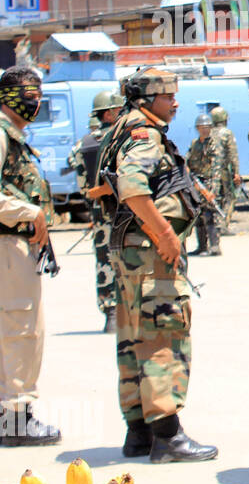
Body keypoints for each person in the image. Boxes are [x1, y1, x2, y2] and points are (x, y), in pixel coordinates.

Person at [96, 67, 218, 463]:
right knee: (164, 334)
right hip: (151, 253)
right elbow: (132, 187)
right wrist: (165, 234)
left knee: (133, 335)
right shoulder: (144, 134)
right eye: (168, 96)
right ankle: (167, 436)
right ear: (147, 100)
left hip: (131, 251)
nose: (175, 103)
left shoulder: (123, 129)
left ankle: (139, 432)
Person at [0, 68, 61, 446]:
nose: (35, 102)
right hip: (8, 245)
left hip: (14, 245)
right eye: (28, 94)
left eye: (38, 94)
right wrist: (29, 212)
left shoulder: (13, 136)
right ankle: (17, 420)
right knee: (21, 331)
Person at [68, 89, 123, 332]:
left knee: (104, 260)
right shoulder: (124, 138)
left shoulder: (84, 144)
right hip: (130, 211)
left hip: (101, 213)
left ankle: (111, 312)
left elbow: (83, 186)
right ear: (109, 113)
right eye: (119, 110)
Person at [186, 113, 223, 256]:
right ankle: (201, 246)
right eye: (202, 127)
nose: (205, 130)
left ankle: (214, 246)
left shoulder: (214, 145)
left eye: (207, 127)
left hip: (208, 182)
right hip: (195, 183)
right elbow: (187, 161)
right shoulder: (194, 144)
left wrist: (213, 189)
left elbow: (216, 168)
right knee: (198, 215)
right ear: (197, 128)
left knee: (210, 215)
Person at [209, 106, 241, 233]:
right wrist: (236, 172)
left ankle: (215, 224)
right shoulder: (227, 133)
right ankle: (223, 225)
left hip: (211, 172)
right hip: (224, 171)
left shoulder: (209, 132)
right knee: (230, 196)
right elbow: (233, 154)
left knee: (216, 197)